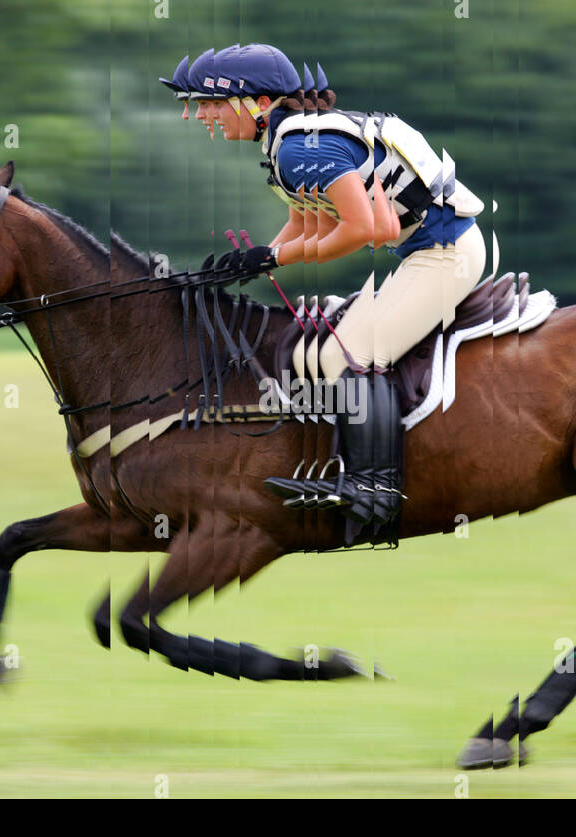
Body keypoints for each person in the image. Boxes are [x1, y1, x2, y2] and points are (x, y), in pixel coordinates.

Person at [162, 44, 486, 533]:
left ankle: (372, 489)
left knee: (344, 357)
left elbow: (358, 231)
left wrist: (269, 258)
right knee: (313, 355)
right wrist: (244, 265)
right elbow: (306, 221)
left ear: (262, 104)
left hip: (447, 253)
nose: (203, 115)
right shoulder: (284, 144)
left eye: (212, 103)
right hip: (427, 252)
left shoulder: (297, 147)